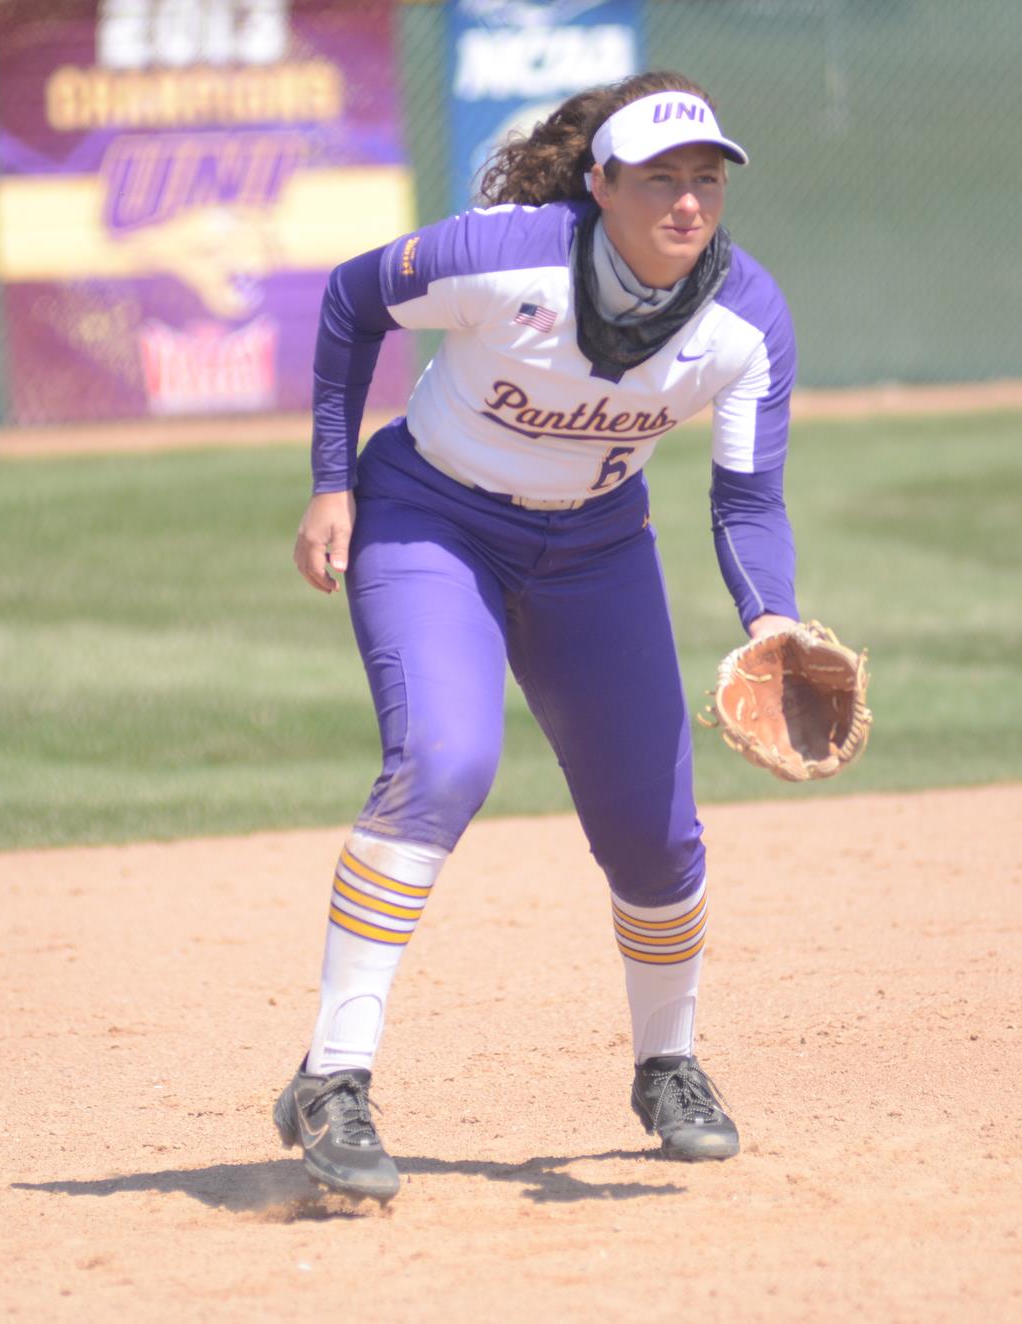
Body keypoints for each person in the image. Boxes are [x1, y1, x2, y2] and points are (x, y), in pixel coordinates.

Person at [273, 71, 802, 1203]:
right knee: (444, 762)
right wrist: (331, 482)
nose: (687, 203)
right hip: (432, 517)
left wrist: (771, 618)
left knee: (655, 833)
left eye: (705, 179)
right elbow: (347, 299)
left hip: (596, 550)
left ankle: (668, 1064)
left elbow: (747, 502)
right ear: (599, 183)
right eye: (659, 178)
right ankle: (333, 1077)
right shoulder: (505, 256)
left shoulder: (743, 322)